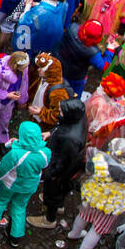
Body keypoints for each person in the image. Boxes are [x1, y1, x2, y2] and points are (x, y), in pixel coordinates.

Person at [68, 137, 125, 249]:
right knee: (97, 230)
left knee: (83, 216)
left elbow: (88, 170)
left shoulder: (100, 161)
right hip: (111, 206)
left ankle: (74, 233)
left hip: (93, 197)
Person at [0, 121, 51, 247]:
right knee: (19, 208)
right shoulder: (45, 152)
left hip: (10, 184)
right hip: (29, 187)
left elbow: (3, 170)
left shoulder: (15, 154)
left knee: (0, 201)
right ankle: (14, 237)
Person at [26, 98, 88, 232]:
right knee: (61, 188)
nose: (58, 112)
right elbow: (61, 124)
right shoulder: (79, 117)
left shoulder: (69, 138)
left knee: (53, 190)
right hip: (69, 164)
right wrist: (51, 133)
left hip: (61, 168)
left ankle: (49, 219)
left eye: (61, 111)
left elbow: (62, 163)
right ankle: (59, 204)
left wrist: (51, 174)